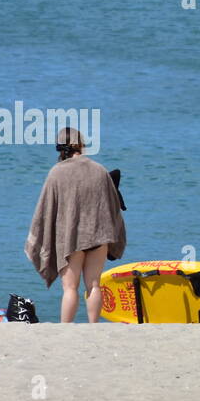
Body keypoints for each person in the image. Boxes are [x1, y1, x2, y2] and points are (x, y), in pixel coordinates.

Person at [25, 127, 127, 322]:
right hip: (98, 235)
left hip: (70, 239)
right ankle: (93, 326)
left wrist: (40, 237)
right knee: (94, 285)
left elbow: (44, 209)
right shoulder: (100, 170)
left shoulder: (56, 172)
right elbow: (113, 206)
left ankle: (66, 328)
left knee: (70, 288)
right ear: (81, 144)